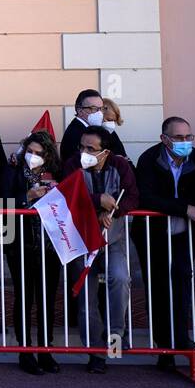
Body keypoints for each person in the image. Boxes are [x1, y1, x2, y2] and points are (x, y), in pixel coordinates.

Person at [60, 125, 139, 374]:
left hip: (112, 238)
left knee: (120, 278)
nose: (84, 152)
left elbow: (133, 196)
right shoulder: (73, 164)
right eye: (82, 147)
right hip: (81, 240)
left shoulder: (120, 165)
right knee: (86, 297)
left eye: (90, 148)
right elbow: (67, 194)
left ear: (105, 152)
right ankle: (95, 352)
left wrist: (113, 210)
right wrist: (97, 201)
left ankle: (116, 338)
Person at [135, 116, 195, 372]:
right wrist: (185, 208)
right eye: (178, 137)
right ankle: (164, 347)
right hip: (153, 234)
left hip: (185, 235)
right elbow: (147, 197)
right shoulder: (149, 159)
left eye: (188, 137)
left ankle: (183, 338)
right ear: (164, 138)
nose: (184, 142)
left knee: (184, 281)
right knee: (159, 287)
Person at [0, 131, 62, 375]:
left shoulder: (56, 175)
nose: (33, 157)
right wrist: (27, 196)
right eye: (30, 151)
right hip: (21, 245)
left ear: (48, 156)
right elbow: (2, 202)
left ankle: (46, 350)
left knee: (47, 299)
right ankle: (25, 351)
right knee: (24, 297)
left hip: (51, 245)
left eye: (39, 153)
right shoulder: (12, 172)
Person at [61, 89, 106, 163]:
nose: (99, 113)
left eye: (101, 108)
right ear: (80, 110)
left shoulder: (89, 129)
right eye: (94, 108)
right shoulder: (75, 133)